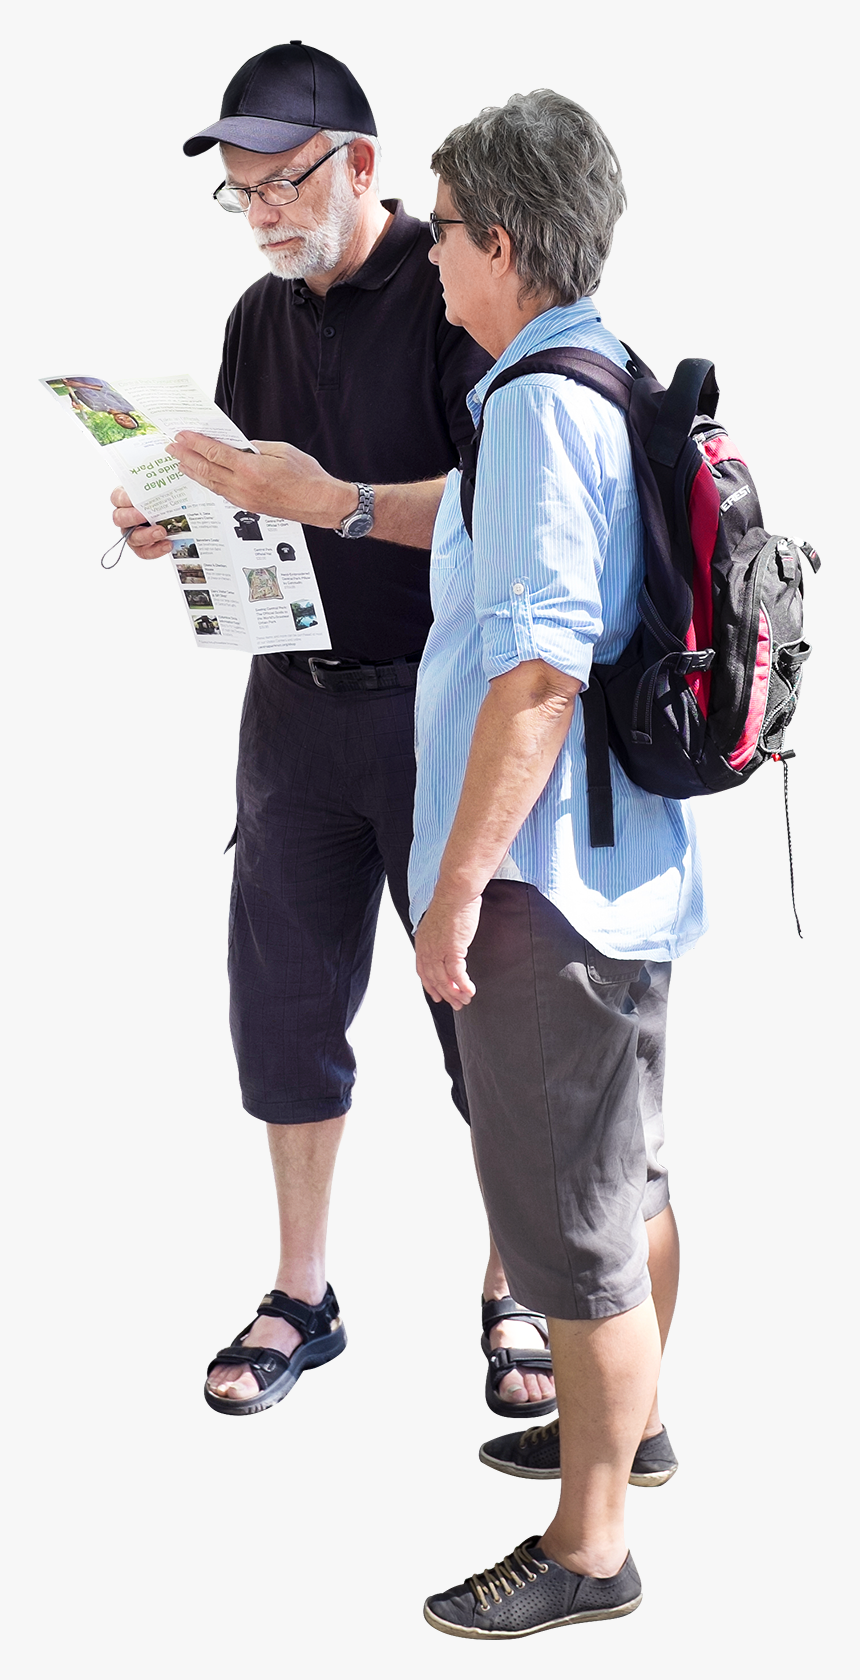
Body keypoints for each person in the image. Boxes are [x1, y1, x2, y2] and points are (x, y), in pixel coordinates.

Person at [111, 42, 559, 1418]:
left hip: (444, 710)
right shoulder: (259, 316)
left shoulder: (456, 292)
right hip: (292, 718)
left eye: (281, 183)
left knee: (492, 1024)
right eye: (239, 193)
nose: (259, 214)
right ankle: (305, 1293)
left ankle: (522, 1283)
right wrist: (168, 516)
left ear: (360, 164)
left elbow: (508, 503)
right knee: (285, 1011)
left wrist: (340, 499)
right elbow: (256, 496)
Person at [404, 91, 706, 1637]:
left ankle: (590, 1548)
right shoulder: (597, 370)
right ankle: (628, 1430)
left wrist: (454, 891)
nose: (430, 256)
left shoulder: (530, 407)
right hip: (625, 862)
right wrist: (309, 496)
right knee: (626, 1173)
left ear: (502, 244)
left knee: (565, 1221)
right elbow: (478, 544)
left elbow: (535, 676)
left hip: (545, 888)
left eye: (443, 230)